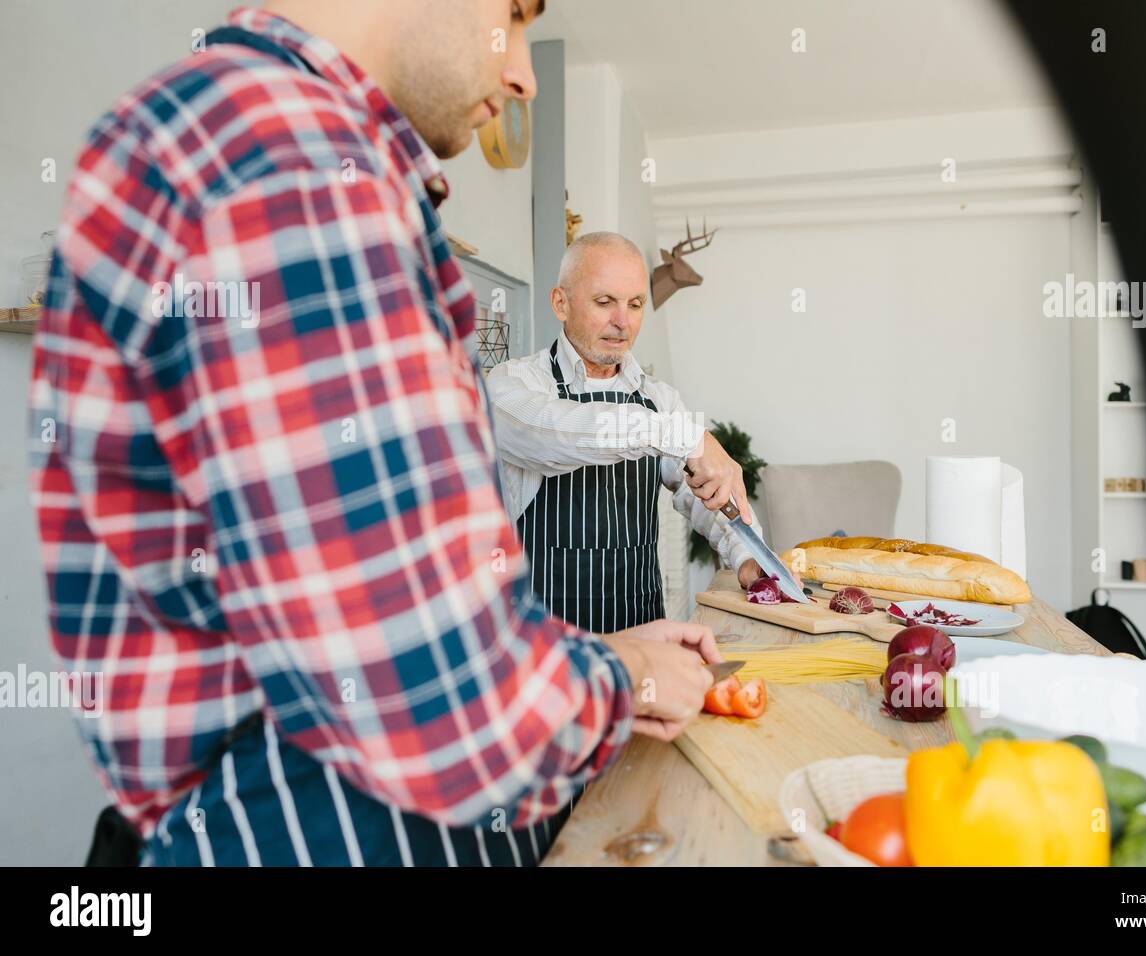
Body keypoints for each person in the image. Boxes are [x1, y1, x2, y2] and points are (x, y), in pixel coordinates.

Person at [28, 0, 718, 867]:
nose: (523, 74)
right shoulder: (300, 171)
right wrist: (629, 679)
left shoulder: (220, 140)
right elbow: (438, 698)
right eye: (511, 13)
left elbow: (363, 610)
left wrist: (593, 653)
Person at [488, 231, 793, 632]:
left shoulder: (660, 400)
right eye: (604, 302)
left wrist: (748, 554)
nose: (622, 322)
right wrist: (687, 437)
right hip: (545, 648)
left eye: (635, 305)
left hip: (645, 635)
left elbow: (704, 496)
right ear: (560, 303)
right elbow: (554, 432)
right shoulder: (512, 384)